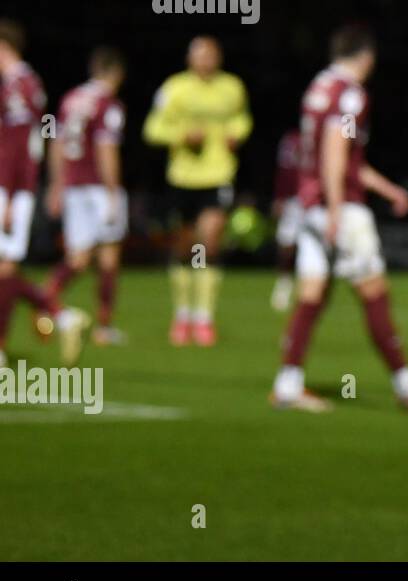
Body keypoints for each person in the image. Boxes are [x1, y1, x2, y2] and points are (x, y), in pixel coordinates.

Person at [270, 24, 408, 412]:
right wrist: (338, 207)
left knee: (311, 296)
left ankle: (288, 384)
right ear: (366, 56)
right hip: (341, 207)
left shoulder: (319, 87)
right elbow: (337, 151)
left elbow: (339, 156)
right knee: (374, 292)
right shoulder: (351, 94)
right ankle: (407, 385)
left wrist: (388, 190)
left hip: (309, 206)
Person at [143, 36, 251, 346]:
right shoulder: (174, 88)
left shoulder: (232, 88)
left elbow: (242, 119)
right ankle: (182, 314)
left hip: (218, 175)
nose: (205, 61)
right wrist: (182, 135)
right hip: (183, 176)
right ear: (190, 59)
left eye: (210, 55)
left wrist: (236, 134)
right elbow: (152, 129)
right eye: (199, 55)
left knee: (210, 239)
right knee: (185, 246)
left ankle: (204, 318)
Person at [0, 21, 90, 366]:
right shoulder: (28, 83)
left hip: (12, 189)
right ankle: (61, 316)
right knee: (5, 270)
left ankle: (52, 318)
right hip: (16, 187)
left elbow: (17, 148)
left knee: (6, 270)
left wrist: (8, 196)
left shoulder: (17, 86)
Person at [44, 47, 130, 347]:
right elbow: (106, 148)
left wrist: (55, 185)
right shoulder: (109, 104)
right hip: (97, 187)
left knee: (78, 258)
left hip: (72, 186)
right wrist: (112, 191)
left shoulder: (70, 99)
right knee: (108, 256)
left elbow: (56, 142)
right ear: (115, 73)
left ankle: (47, 299)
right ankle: (104, 327)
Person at [270, 128, 303, 312]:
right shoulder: (291, 139)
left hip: (318, 199)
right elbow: (284, 169)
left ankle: (311, 288)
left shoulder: (328, 133)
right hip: (293, 199)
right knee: (286, 244)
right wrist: (280, 196)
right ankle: (284, 284)